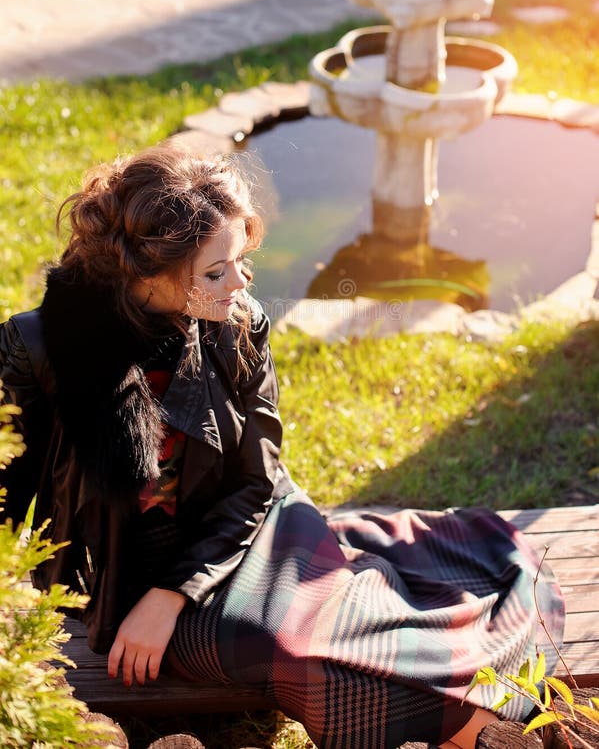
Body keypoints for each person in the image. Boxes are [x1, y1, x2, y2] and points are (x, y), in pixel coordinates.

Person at [0, 143, 564, 749]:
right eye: (216, 272)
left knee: (321, 640)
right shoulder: (38, 346)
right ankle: (498, 732)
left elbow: (256, 478)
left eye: (241, 260)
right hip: (123, 567)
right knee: (291, 649)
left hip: (243, 526)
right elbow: (10, 489)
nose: (241, 284)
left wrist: (172, 597)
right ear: (145, 275)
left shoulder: (237, 321)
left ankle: (495, 738)